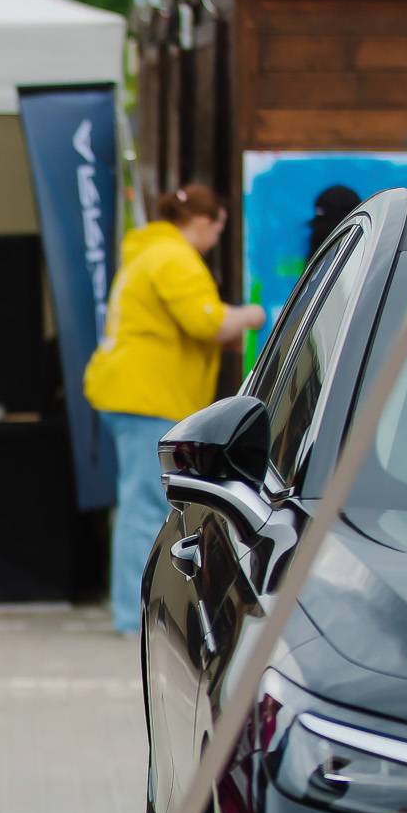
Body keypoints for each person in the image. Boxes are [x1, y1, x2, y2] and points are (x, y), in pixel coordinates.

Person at [82, 184, 266, 635]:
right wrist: (252, 316)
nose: (216, 241)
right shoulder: (174, 258)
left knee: (137, 503)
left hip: (130, 393)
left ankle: (132, 609)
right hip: (149, 396)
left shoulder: (149, 251)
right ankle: (135, 616)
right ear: (203, 222)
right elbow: (207, 321)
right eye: (218, 230)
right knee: (146, 506)